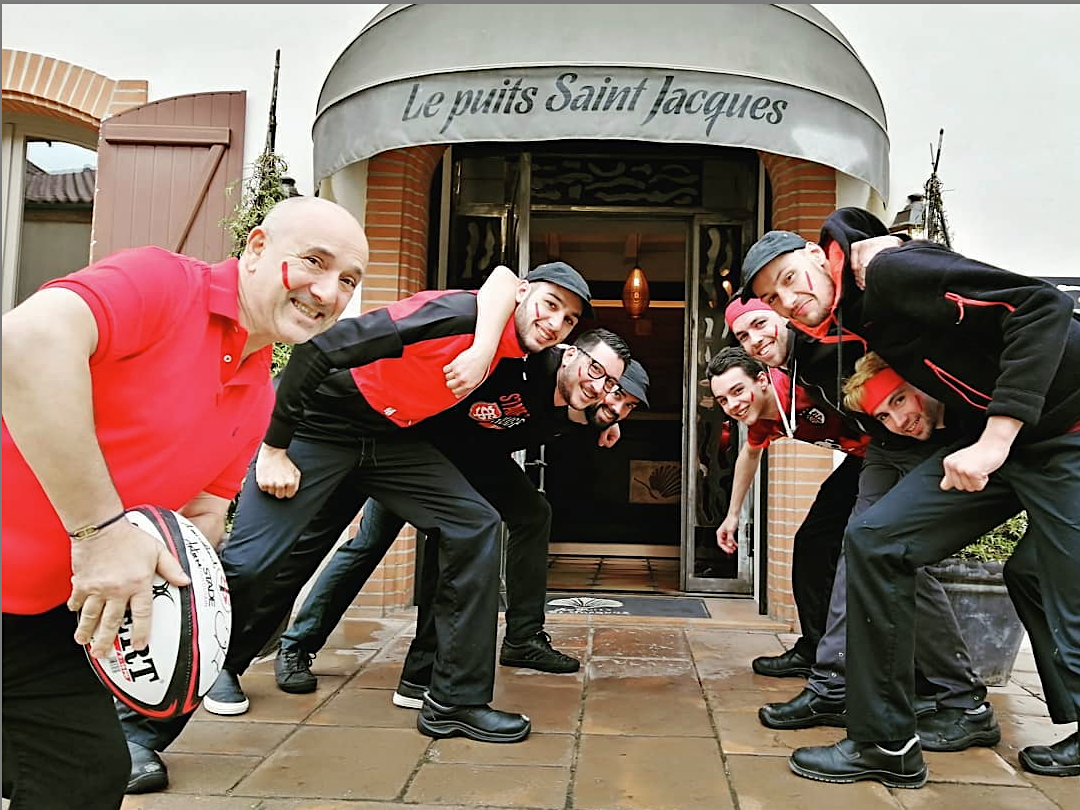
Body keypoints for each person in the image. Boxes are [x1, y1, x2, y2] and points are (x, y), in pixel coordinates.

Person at [119, 260, 599, 792]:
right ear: (527, 295)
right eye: (551, 306)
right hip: (319, 425)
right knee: (253, 567)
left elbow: (504, 282)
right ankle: (134, 733)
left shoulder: (512, 344)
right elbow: (318, 350)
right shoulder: (454, 316)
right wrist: (275, 448)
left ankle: (454, 701)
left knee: (475, 522)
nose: (556, 323)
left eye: (569, 320)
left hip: (391, 440)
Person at [1, 196, 370, 810]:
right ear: (256, 248)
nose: (328, 292)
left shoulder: (256, 395)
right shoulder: (161, 282)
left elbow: (195, 522)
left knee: (86, 776)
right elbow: (24, 342)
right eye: (314, 261)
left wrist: (184, 615)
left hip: (52, 622)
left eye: (348, 281)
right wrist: (100, 532)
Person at [744, 212, 1080, 785]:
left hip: (1065, 432)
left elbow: (1040, 305)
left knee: (1059, 583)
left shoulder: (890, 273)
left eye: (787, 277)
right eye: (772, 298)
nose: (787, 300)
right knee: (876, 541)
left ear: (812, 253)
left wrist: (996, 438)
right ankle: (885, 744)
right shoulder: (851, 311)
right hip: (996, 442)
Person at [264, 341, 644, 702]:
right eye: (614, 393)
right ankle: (298, 644)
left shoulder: (584, 409)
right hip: (421, 451)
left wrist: (609, 422)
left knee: (532, 513)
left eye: (625, 404)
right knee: (371, 542)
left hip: (478, 461)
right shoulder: (544, 369)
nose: (614, 404)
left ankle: (523, 638)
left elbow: (598, 412)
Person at [724, 299, 995, 751]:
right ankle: (831, 680)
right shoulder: (792, 378)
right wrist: (733, 515)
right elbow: (750, 454)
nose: (755, 340)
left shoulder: (818, 353)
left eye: (760, 325)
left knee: (897, 557)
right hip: (878, 455)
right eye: (744, 337)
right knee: (851, 546)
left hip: (921, 447)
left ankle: (956, 697)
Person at [719, 300, 862, 678]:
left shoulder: (804, 382)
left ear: (762, 380)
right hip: (862, 461)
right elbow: (748, 457)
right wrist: (732, 516)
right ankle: (813, 648)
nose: (733, 404)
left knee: (862, 550)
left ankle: (846, 660)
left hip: (884, 455)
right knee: (812, 543)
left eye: (738, 391)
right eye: (723, 399)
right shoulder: (762, 420)